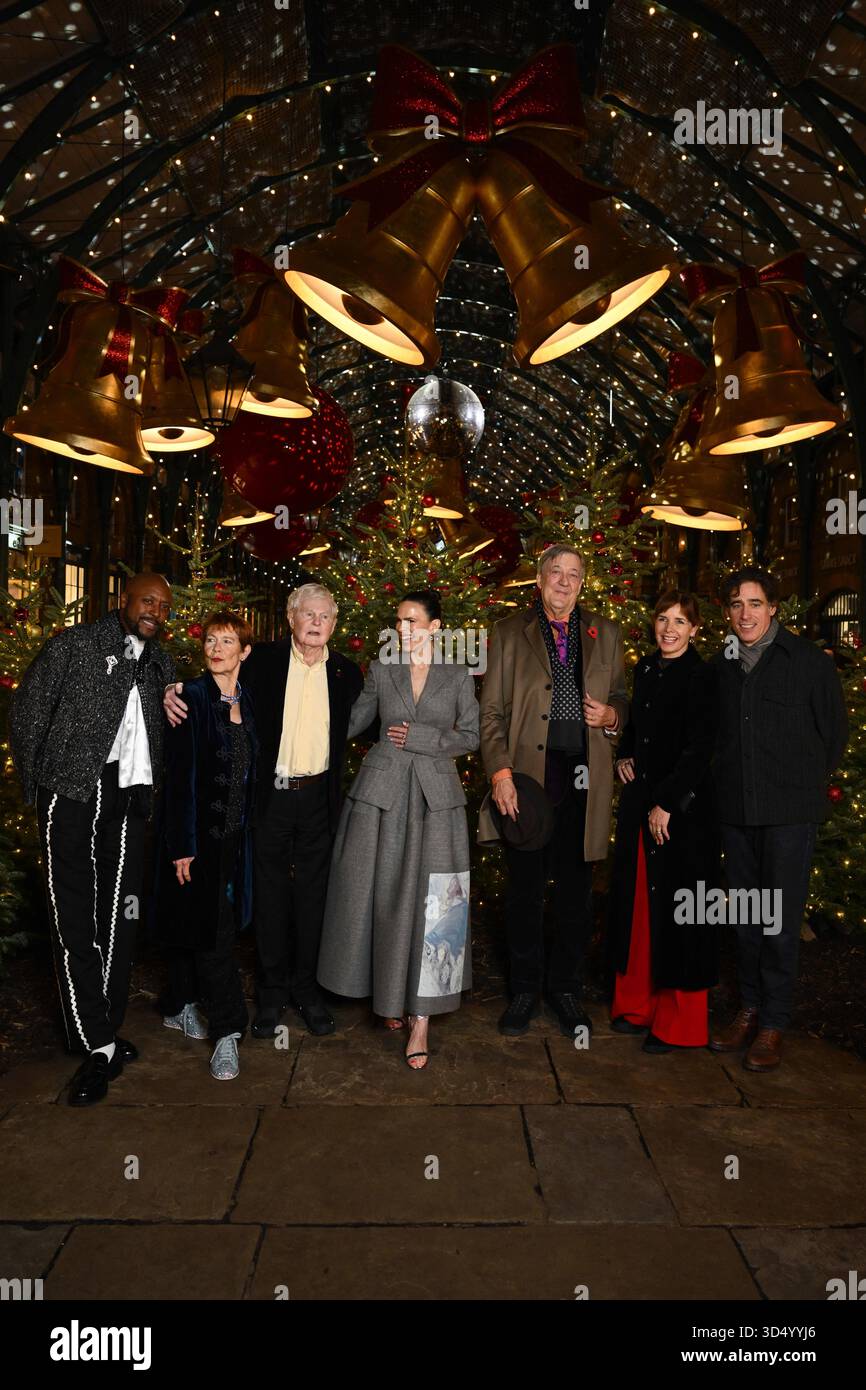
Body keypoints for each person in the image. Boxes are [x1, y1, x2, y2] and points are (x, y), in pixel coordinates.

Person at [164, 583, 362, 1037]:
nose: (315, 623)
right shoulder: (263, 662)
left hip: (318, 799)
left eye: (324, 616)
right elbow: (218, 679)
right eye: (307, 614)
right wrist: (175, 691)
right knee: (269, 893)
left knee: (313, 897)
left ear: (334, 623)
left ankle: (306, 990)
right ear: (291, 618)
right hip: (270, 798)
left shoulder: (347, 674)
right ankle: (272, 993)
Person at [10, 573, 175, 1105]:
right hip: (73, 792)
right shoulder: (75, 646)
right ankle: (95, 1042)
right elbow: (27, 713)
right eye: (147, 601)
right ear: (122, 600)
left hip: (129, 796)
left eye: (165, 606)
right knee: (74, 914)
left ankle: (102, 1027)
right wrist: (38, 785)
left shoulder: (160, 664)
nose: (156, 611)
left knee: (118, 917)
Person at [318, 591, 479, 1069]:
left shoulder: (456, 675)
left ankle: (422, 1016)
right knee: (380, 895)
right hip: (380, 797)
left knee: (437, 902)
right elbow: (347, 724)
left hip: (437, 802)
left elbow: (471, 735)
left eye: (412, 621)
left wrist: (426, 738)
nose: (403, 629)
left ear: (435, 626)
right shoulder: (382, 670)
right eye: (398, 622)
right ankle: (387, 997)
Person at [478, 544, 628, 1038]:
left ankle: (565, 989)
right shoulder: (508, 633)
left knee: (575, 895)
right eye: (556, 573)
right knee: (523, 890)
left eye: (574, 575)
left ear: (583, 583)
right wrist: (500, 773)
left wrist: (612, 717)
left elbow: (623, 697)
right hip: (527, 781)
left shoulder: (605, 634)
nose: (564, 582)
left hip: (586, 778)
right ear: (539, 580)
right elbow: (492, 712)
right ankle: (523, 990)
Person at [708, 567, 847, 1071]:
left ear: (773, 609)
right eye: (736, 604)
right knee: (745, 917)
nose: (745, 614)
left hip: (789, 815)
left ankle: (774, 1022)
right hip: (737, 815)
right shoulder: (721, 666)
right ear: (728, 612)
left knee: (780, 922)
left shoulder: (809, 662)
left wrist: (798, 783)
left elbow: (833, 735)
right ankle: (747, 1009)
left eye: (755, 603)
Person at [607, 592, 719, 1052]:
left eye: (680, 622)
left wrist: (669, 804)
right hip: (642, 802)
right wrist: (625, 753)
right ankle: (637, 1006)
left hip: (683, 814)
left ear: (695, 629)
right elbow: (639, 727)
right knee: (638, 907)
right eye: (662, 619)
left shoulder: (704, 676)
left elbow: (700, 749)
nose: (669, 628)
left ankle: (677, 1025)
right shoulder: (647, 669)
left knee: (681, 914)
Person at [156, 611, 257, 1080]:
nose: (217, 648)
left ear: (244, 651)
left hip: (237, 840)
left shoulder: (249, 702)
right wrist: (183, 845)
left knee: (202, 923)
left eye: (228, 641)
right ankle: (229, 1032)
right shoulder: (190, 698)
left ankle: (178, 1003)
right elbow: (180, 779)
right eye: (211, 640)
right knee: (213, 932)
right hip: (199, 840)